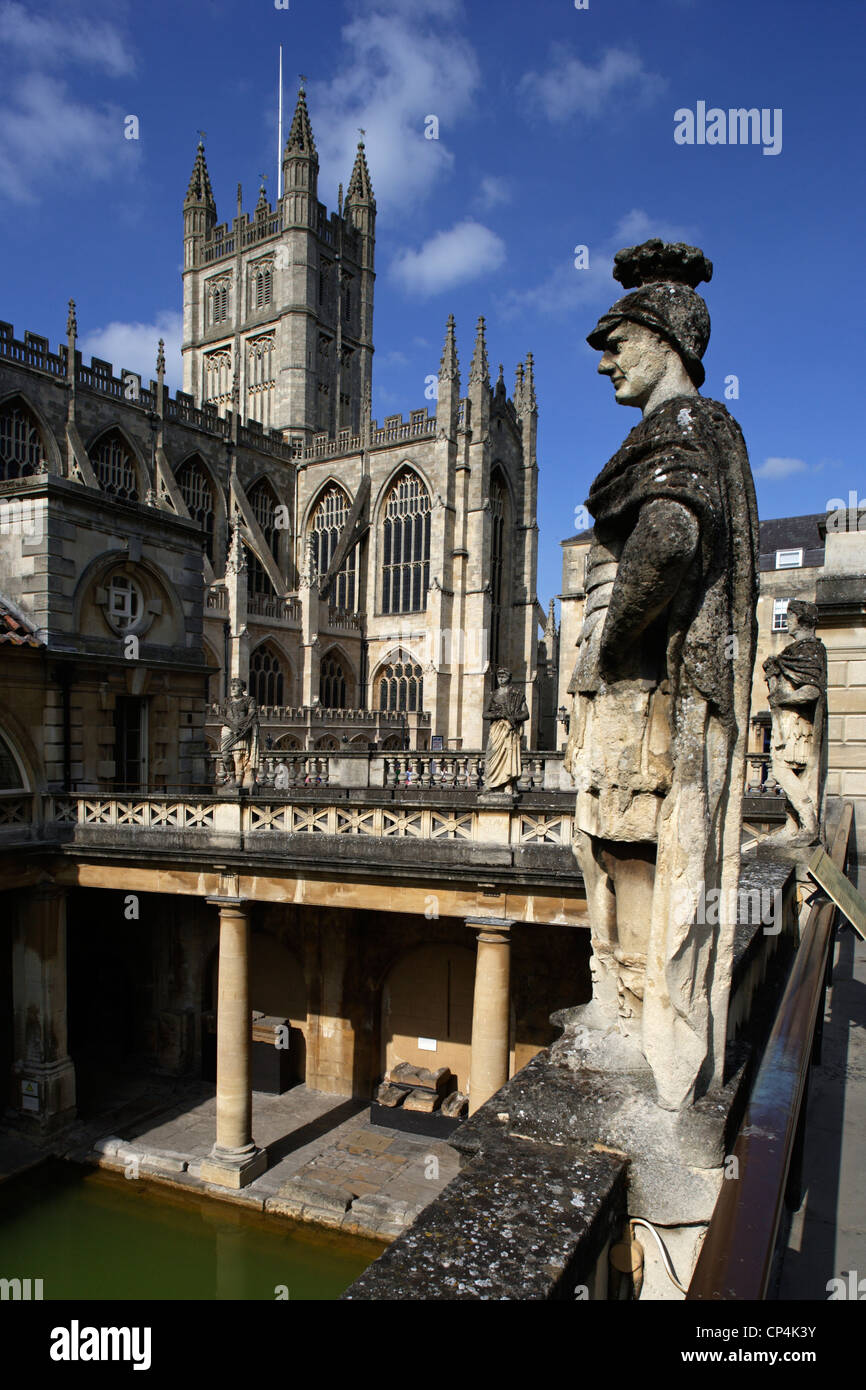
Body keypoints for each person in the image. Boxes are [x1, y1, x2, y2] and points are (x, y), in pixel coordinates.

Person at [565, 239, 758, 1109]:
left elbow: (671, 538)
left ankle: (636, 1013)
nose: (607, 360)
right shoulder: (707, 432)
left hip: (647, 702)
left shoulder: (683, 429)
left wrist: (608, 644)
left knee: (626, 844)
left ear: (665, 341)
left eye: (620, 342)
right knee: (620, 845)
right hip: (655, 703)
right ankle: (630, 1006)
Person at [763, 600, 826, 845]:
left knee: (780, 769)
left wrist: (785, 697)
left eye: (789, 617)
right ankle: (792, 826)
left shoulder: (810, 650)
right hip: (786, 720)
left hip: (797, 722)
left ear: (800, 619)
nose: (786, 621)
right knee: (792, 771)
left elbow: (812, 691)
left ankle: (808, 820)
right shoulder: (793, 652)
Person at [483, 668, 529, 791]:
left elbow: (526, 714)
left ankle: (508, 784)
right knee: (490, 756)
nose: (501, 678)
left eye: (504, 676)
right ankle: (491, 783)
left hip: (509, 732)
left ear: (510, 677)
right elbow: (485, 714)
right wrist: (500, 715)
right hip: (496, 731)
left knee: (509, 756)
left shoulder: (517, 694)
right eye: (499, 676)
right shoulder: (494, 694)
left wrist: (513, 718)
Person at [218, 678, 260, 789]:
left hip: (242, 730)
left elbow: (251, 715)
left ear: (242, 688)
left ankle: (238, 780)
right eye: (231, 685)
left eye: (236, 686)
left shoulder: (249, 700)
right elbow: (221, 716)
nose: (232, 688)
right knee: (225, 756)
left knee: (238, 757)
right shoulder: (226, 701)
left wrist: (240, 727)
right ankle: (231, 778)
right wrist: (232, 726)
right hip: (228, 730)